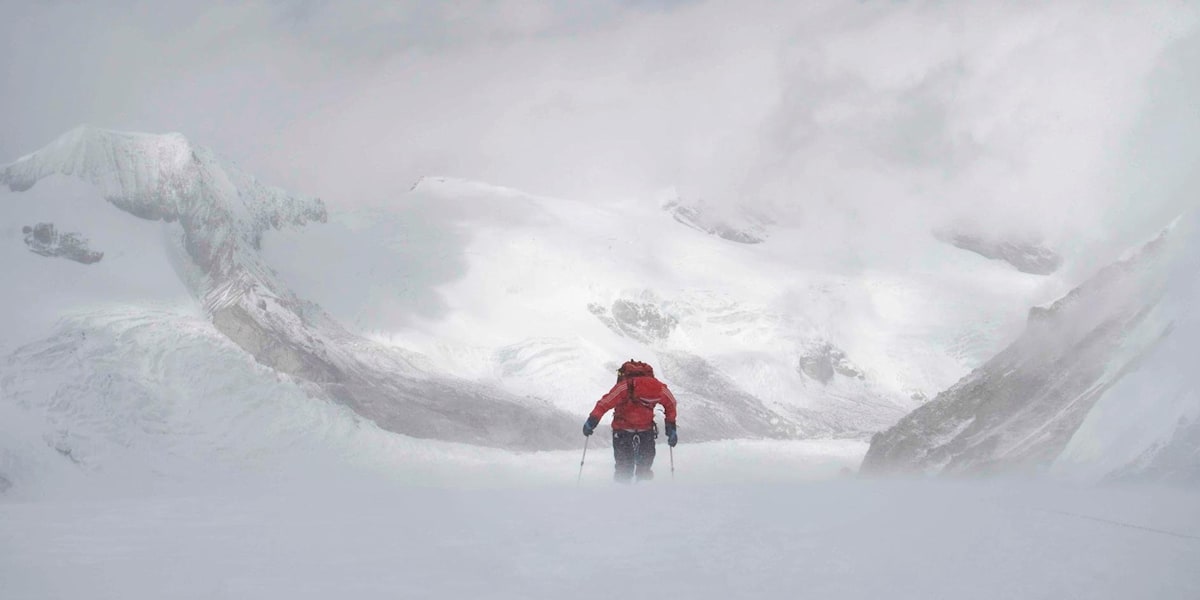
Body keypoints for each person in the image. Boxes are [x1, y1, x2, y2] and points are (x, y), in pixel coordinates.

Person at [582, 360, 678, 482]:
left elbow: (605, 403)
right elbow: (671, 403)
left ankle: (623, 496)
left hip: (622, 431)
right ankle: (643, 495)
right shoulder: (658, 387)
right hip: (646, 432)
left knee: (624, 470)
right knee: (644, 468)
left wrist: (592, 422)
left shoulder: (625, 386)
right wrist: (671, 428)